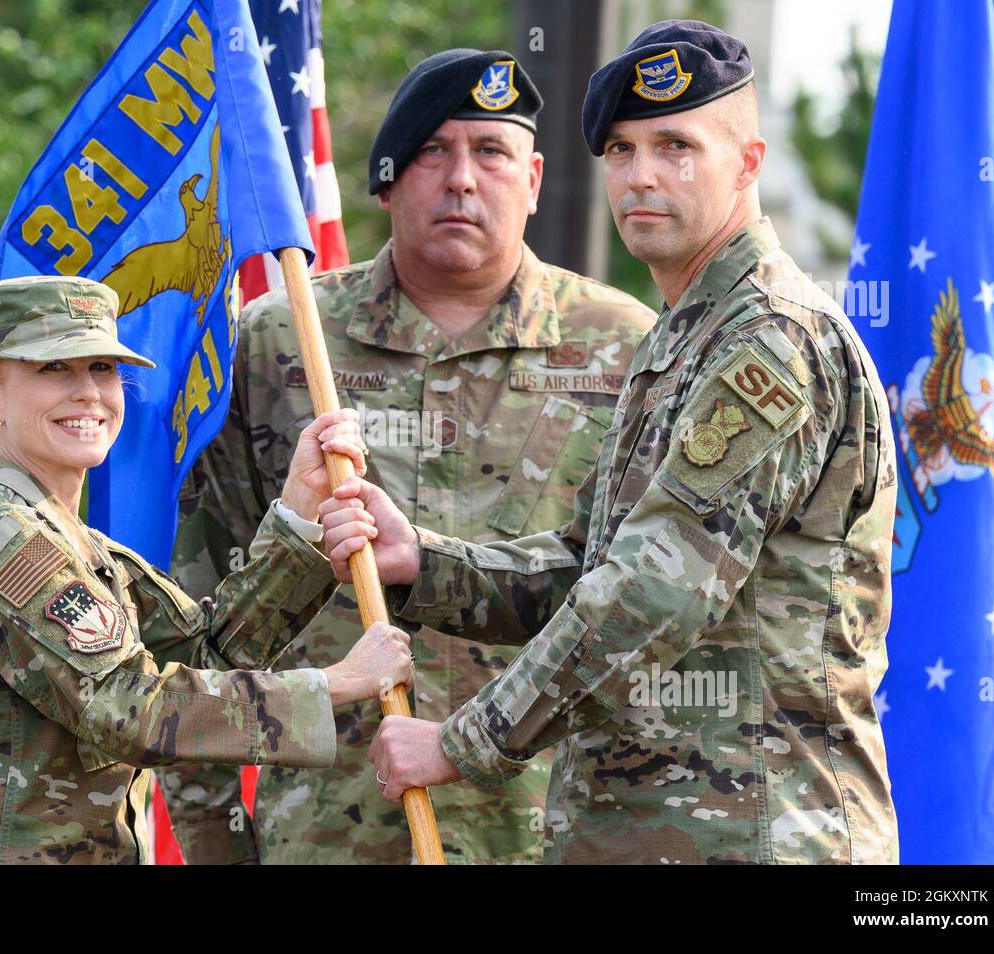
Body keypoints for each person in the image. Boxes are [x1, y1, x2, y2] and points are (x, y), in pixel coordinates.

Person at [324, 20, 899, 864]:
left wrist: (466, 742)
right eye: (622, 151)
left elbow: (655, 593)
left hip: (759, 835)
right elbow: (588, 568)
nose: (643, 177)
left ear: (748, 162)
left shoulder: (769, 339)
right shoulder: (683, 340)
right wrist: (430, 563)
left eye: (677, 146)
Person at [159, 49, 656, 864]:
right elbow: (201, 613)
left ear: (533, 182)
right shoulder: (284, 341)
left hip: (553, 832)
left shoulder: (626, 346)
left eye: (491, 153)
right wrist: (217, 843)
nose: (462, 178)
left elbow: (644, 605)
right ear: (386, 183)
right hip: (326, 834)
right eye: (433, 151)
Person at [0, 275, 414, 865]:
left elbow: (204, 657)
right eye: (53, 370)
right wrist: (338, 683)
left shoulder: (73, 542)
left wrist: (298, 515)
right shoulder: (3, 536)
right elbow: (133, 711)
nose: (88, 393)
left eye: (103, 369)